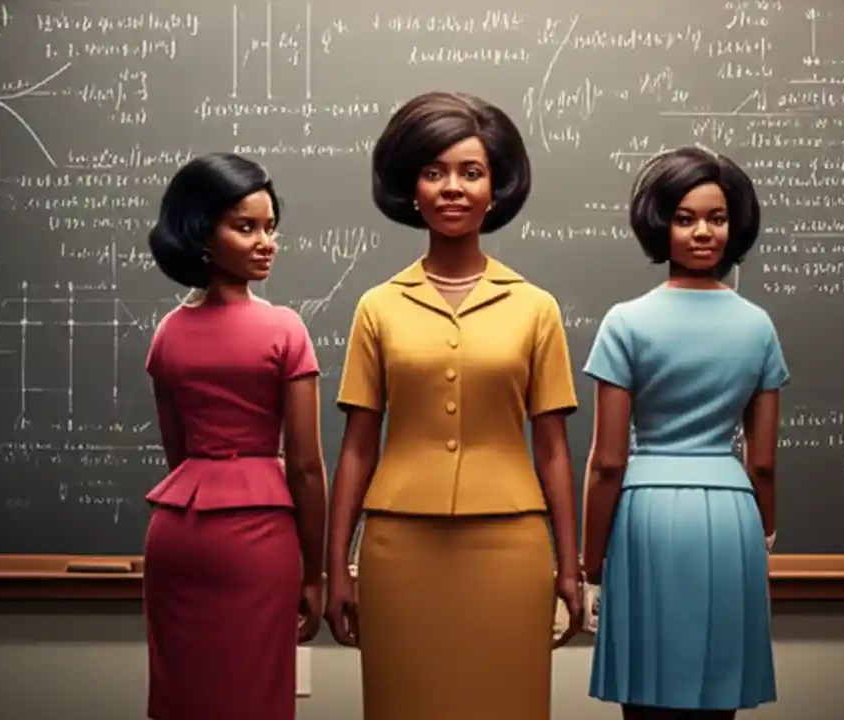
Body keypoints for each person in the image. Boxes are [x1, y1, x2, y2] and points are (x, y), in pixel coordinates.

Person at [323, 91, 584, 720]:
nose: (452, 188)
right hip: (397, 547)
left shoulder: (536, 307)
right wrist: (336, 568)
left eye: (471, 172)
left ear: (497, 188)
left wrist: (571, 569)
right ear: (411, 186)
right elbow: (358, 445)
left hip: (512, 546)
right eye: (434, 171)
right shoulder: (377, 306)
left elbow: (552, 448)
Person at [581, 146, 788, 720]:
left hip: (645, 512)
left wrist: (588, 565)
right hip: (730, 518)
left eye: (716, 219)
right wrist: (764, 530)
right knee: (716, 696)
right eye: (687, 217)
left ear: (734, 225)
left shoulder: (625, 322)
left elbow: (607, 463)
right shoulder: (758, 325)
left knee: (647, 695)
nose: (704, 231)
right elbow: (763, 461)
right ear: (662, 224)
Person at [142, 153, 327, 720]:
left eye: (270, 228)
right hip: (257, 535)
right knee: (255, 696)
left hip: (178, 536)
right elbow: (305, 467)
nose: (265, 242)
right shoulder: (284, 328)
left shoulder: (167, 334)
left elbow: (178, 455)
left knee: (185, 697)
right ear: (202, 232)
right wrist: (316, 573)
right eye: (245, 227)